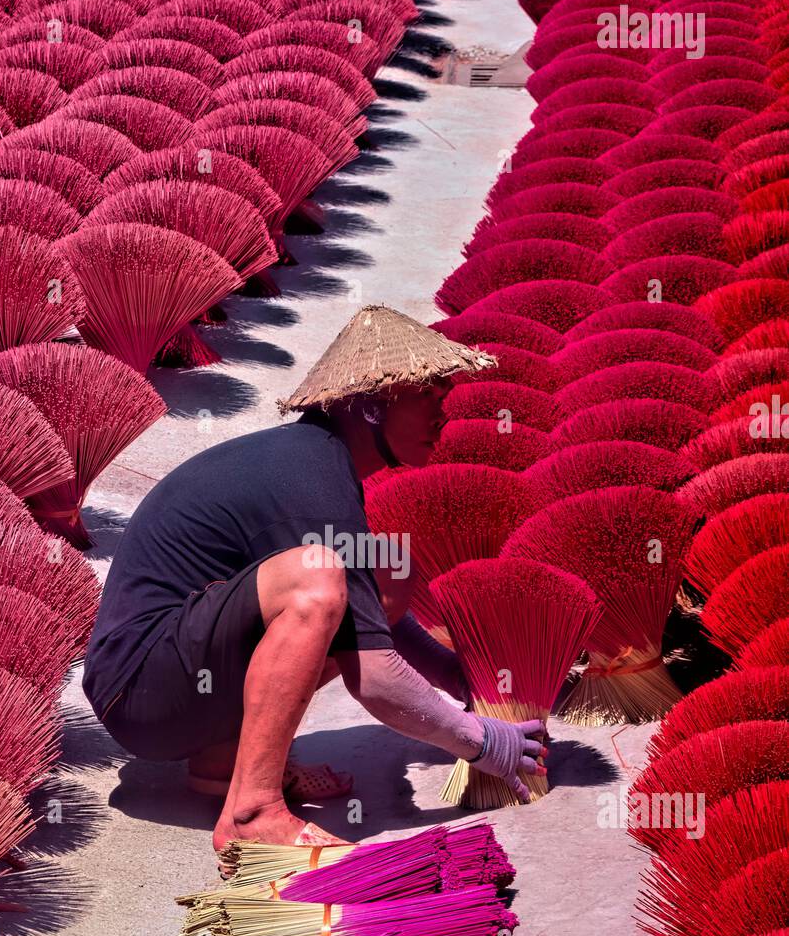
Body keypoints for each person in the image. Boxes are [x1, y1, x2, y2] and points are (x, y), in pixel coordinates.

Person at [83, 306, 546, 851]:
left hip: (171, 686)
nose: (443, 417)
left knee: (384, 570)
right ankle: (253, 810)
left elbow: (372, 621)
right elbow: (372, 677)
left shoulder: (317, 463)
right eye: (430, 398)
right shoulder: (310, 479)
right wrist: (478, 739)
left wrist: (460, 680)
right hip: (140, 694)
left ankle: (223, 762)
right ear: (373, 406)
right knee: (318, 577)